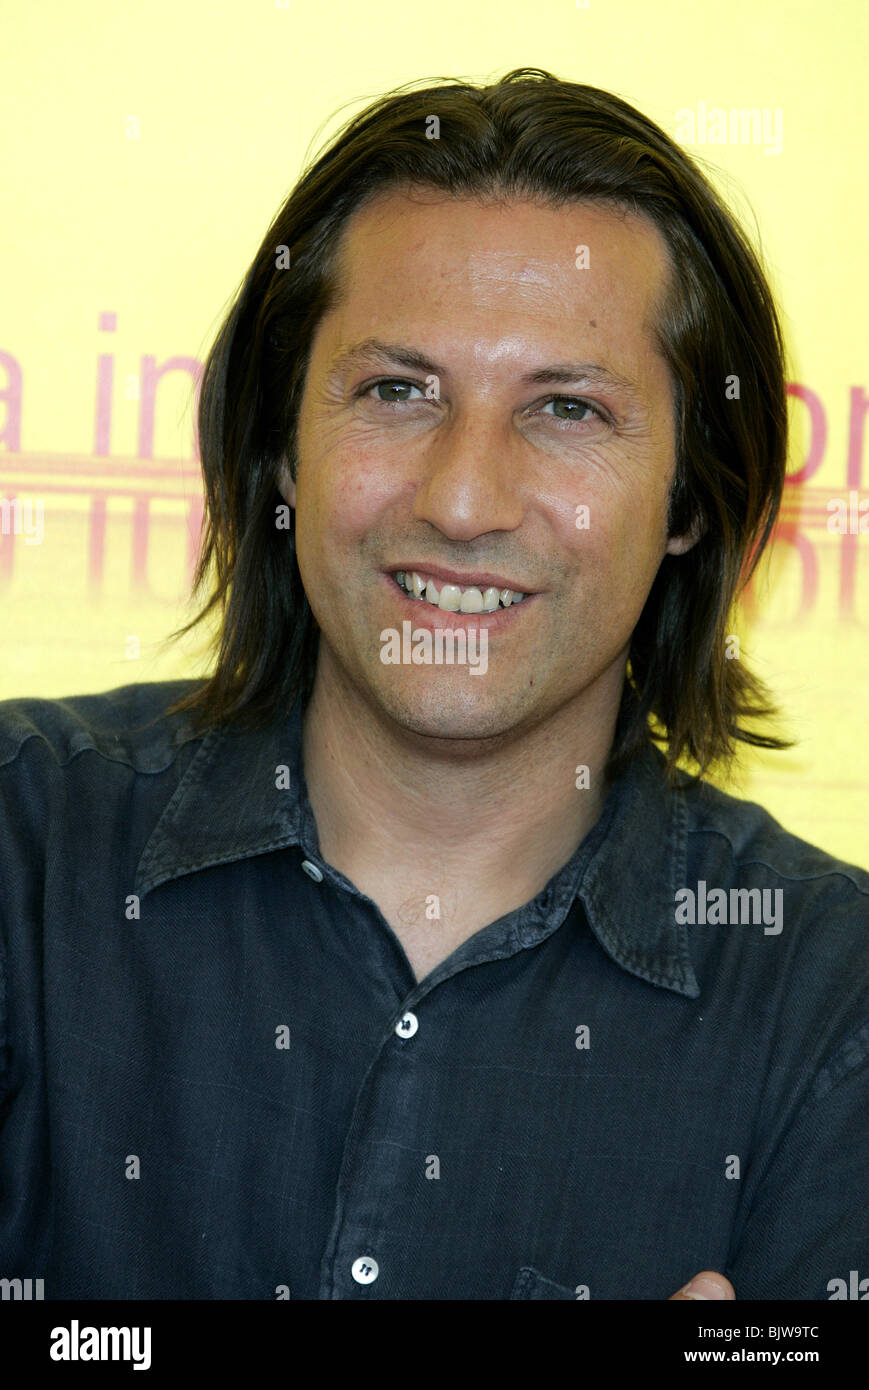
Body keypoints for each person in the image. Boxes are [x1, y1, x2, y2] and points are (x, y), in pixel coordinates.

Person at [1, 68, 866, 1302]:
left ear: (687, 500)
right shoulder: (20, 852)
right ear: (277, 449)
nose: (461, 500)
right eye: (396, 391)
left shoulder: (829, 999)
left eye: (567, 408)